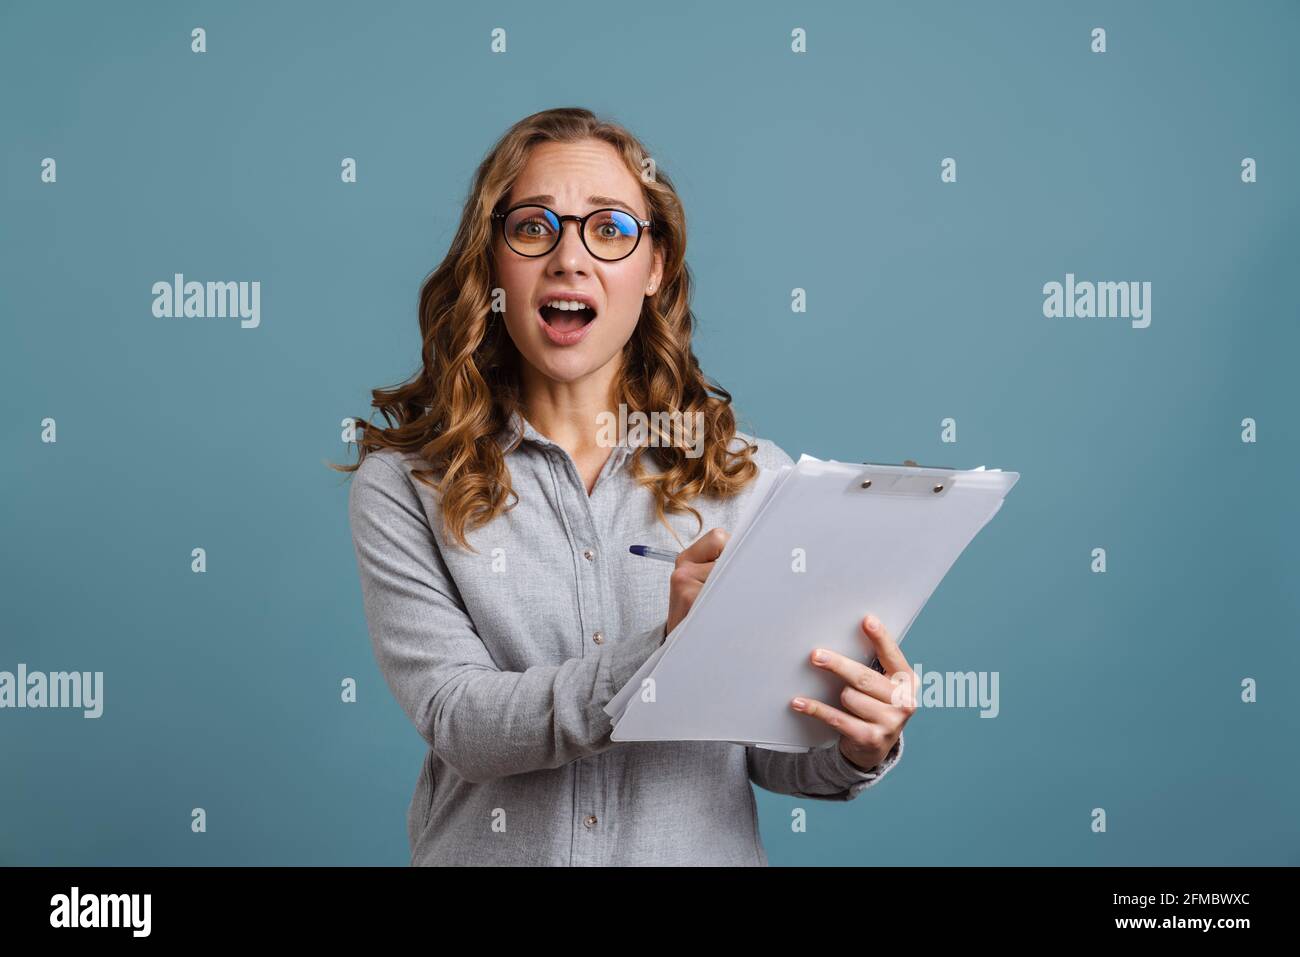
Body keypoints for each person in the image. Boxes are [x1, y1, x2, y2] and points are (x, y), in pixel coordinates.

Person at [337, 107, 914, 866]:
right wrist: (666, 652)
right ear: (492, 263)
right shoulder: (403, 484)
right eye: (535, 227)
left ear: (655, 268)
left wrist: (856, 738)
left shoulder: (752, 478)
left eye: (609, 229)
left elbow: (768, 754)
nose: (569, 259)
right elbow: (462, 721)